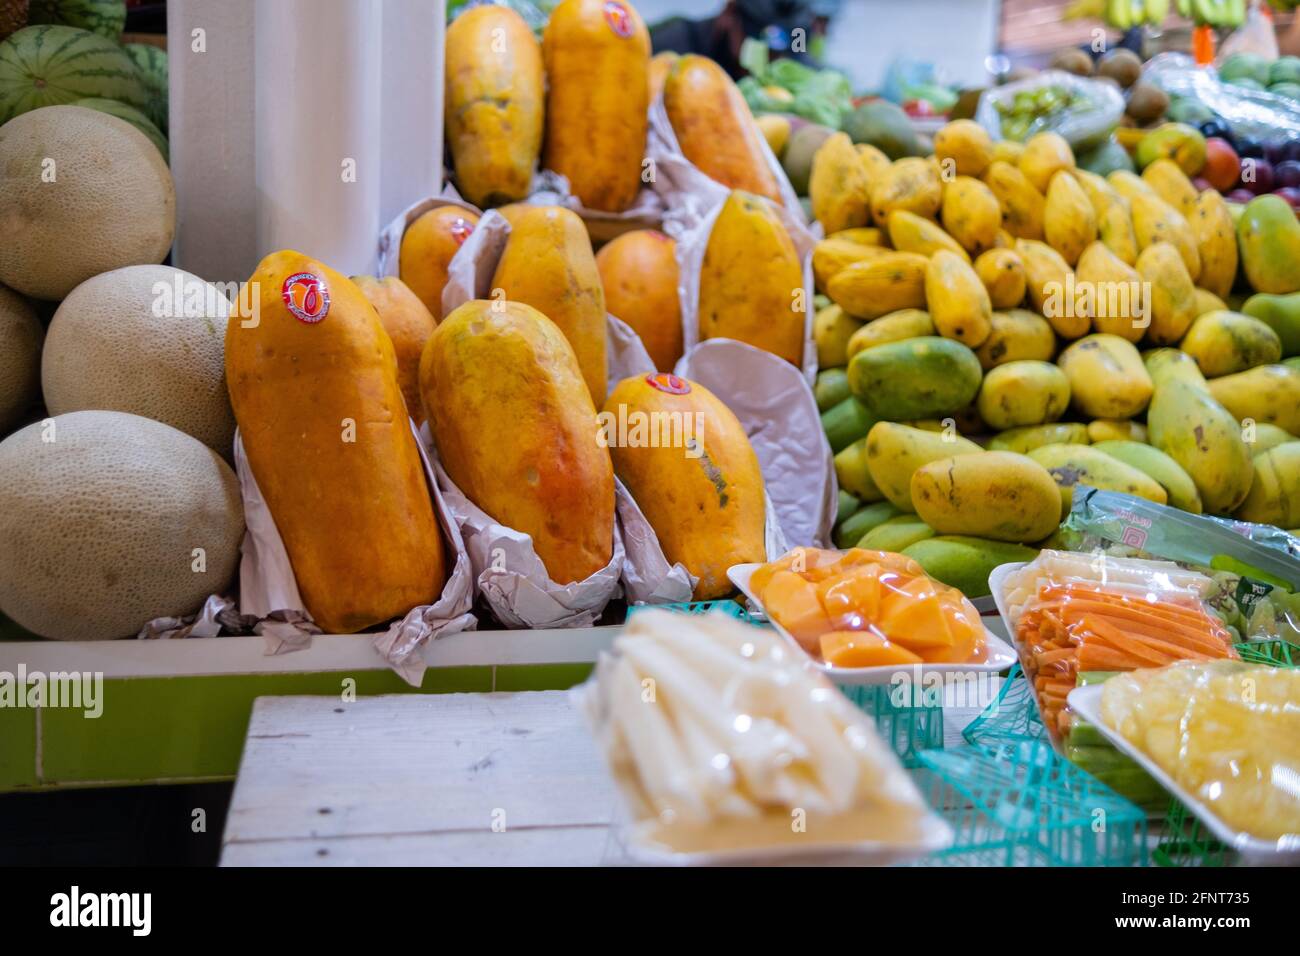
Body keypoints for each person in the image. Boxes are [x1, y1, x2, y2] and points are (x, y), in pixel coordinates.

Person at [650, 0, 838, 78]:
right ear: (729, 15)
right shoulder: (675, 46)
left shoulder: (798, 58)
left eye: (782, 52)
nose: (771, 63)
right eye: (760, 49)